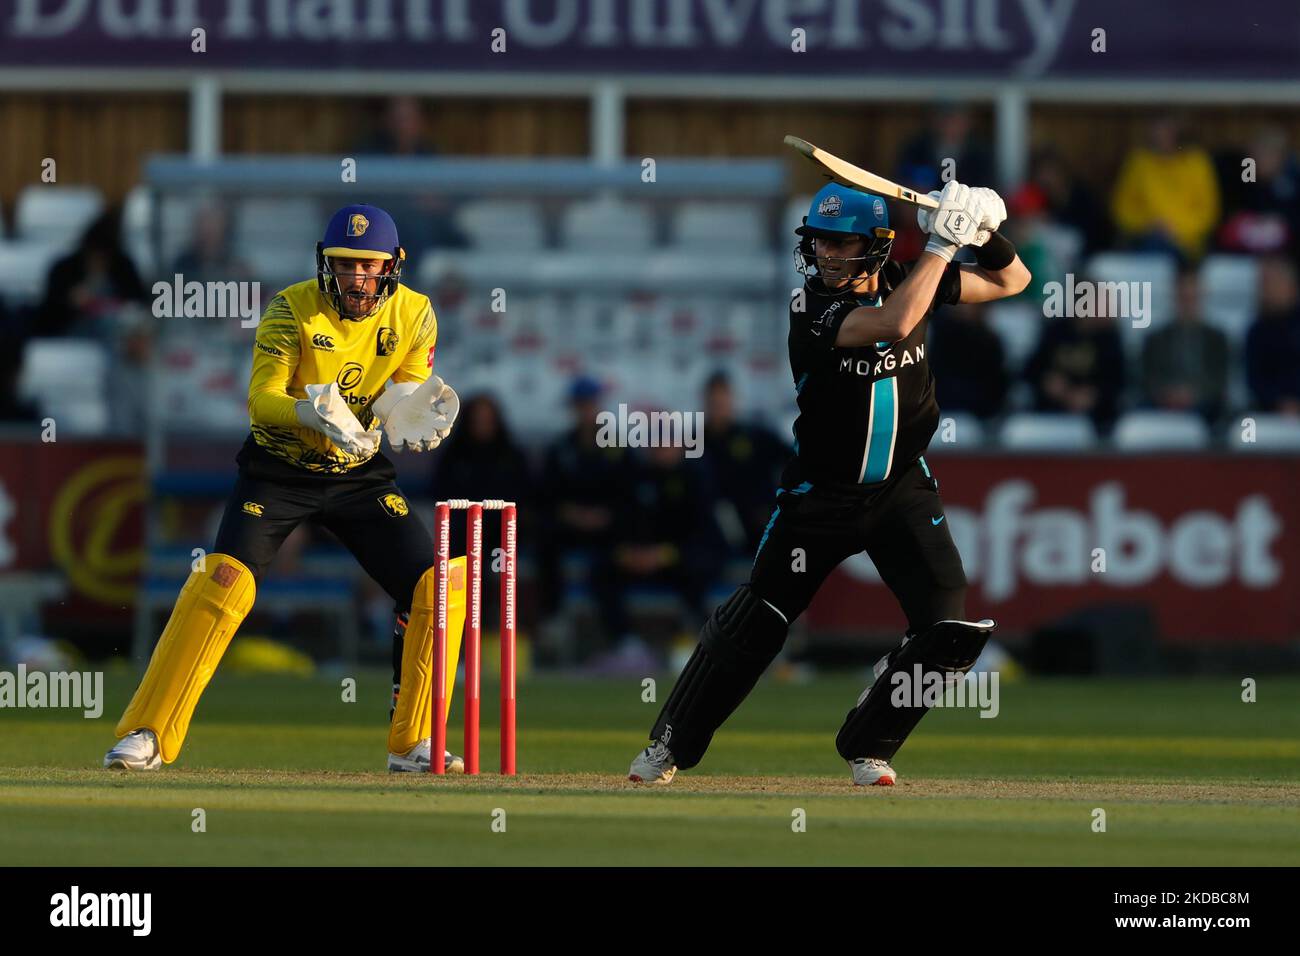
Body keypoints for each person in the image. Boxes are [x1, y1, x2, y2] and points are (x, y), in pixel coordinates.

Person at [628, 179, 1031, 787]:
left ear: (876, 247)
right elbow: (895, 324)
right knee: (756, 622)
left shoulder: (910, 275)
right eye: (820, 245)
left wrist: (984, 230)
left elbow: (1013, 281)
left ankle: (869, 746)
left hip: (902, 489)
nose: (827, 257)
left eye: (842, 246)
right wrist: (945, 244)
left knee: (947, 626)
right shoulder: (810, 309)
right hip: (821, 496)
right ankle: (669, 746)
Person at [103, 204, 464, 774]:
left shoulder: (417, 314)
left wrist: (403, 407)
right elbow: (260, 399)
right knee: (223, 581)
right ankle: (148, 731)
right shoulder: (291, 308)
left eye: (368, 267)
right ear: (326, 265)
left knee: (437, 585)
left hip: (357, 470)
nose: (356, 280)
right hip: (280, 467)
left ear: (394, 265)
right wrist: (308, 412)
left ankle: (414, 742)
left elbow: (405, 387)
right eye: (344, 267)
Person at [1024, 274, 1127, 435]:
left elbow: (1118, 382)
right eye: (1103, 302)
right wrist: (1047, 382)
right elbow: (1031, 370)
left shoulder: (1111, 339)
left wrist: (1095, 395)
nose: (1111, 308)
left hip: (1097, 423)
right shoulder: (1055, 331)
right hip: (1050, 413)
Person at [1111, 114, 1220, 264]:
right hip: (1145, 238)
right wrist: (1148, 224)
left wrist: (1176, 228)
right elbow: (1122, 209)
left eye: (1167, 131)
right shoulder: (1139, 162)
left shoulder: (1196, 163)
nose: (1161, 137)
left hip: (1186, 245)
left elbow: (1208, 212)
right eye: (1157, 131)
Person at [700, 370, 790, 553]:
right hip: (712, 532)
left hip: (757, 528)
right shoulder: (695, 441)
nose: (718, 405)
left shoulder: (755, 436)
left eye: (722, 399)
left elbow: (793, 460)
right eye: (713, 401)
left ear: (732, 399)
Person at [1140, 265, 1229, 424]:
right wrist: (1169, 395)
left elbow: (1219, 380)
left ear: (1202, 296)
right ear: (1174, 296)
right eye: (1183, 296)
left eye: (1192, 296)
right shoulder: (1154, 339)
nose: (1188, 302)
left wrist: (1192, 395)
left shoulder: (1217, 339)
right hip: (1162, 405)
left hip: (1204, 406)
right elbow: (1148, 379)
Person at [1244, 256, 1300, 415]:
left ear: (1292, 287)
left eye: (1274, 283)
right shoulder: (1256, 331)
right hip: (1269, 409)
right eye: (1264, 285)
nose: (1267, 290)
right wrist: (1280, 403)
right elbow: (1254, 381)